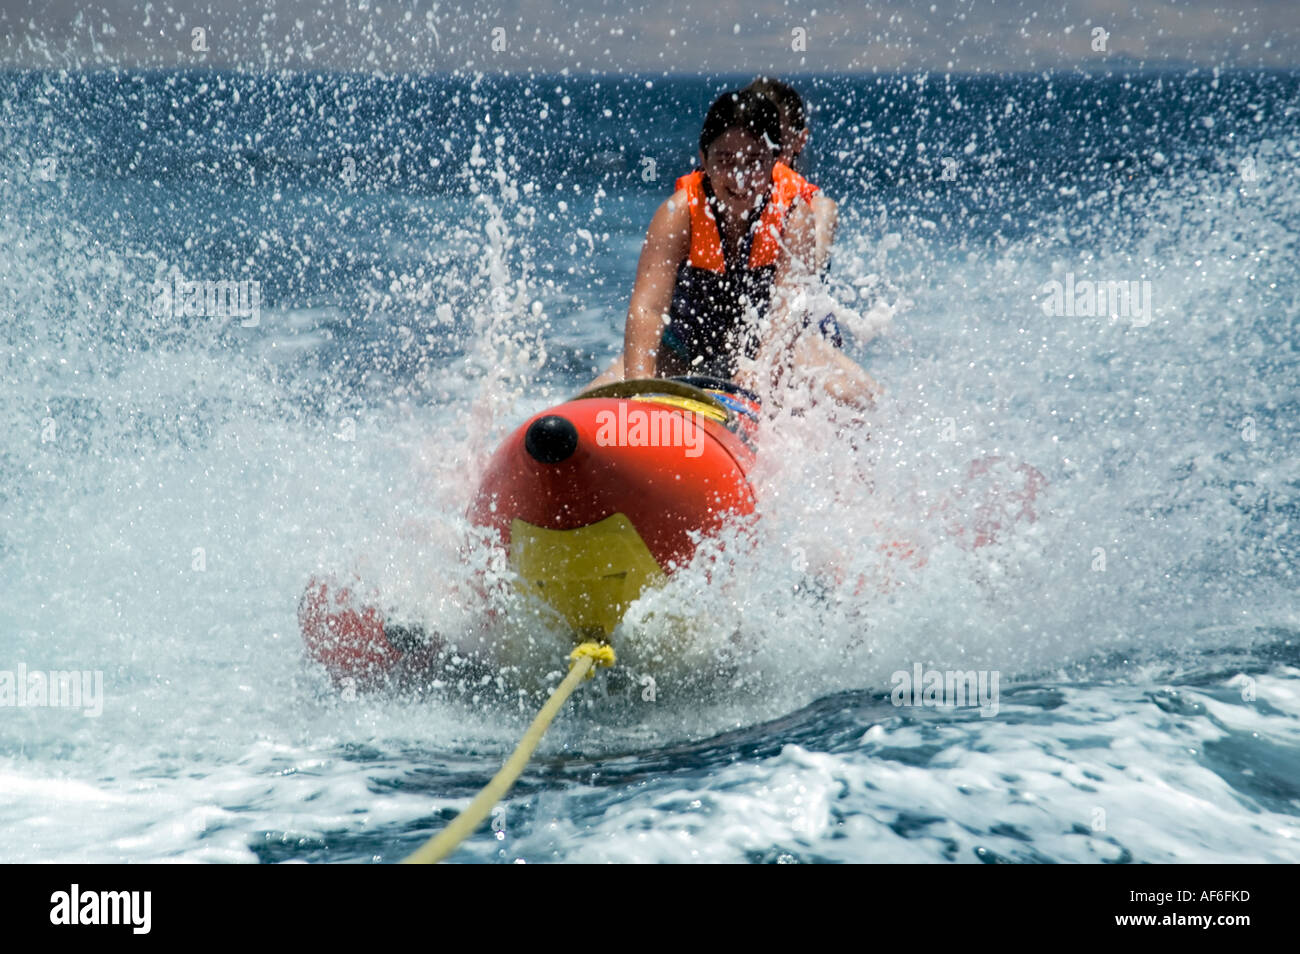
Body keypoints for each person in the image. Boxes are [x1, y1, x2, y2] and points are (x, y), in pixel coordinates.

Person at [590, 87, 879, 409]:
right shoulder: (678, 213)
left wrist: (762, 369)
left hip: (776, 347)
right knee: (593, 401)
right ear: (704, 159)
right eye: (725, 161)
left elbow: (791, 308)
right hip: (687, 347)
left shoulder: (794, 217)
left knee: (851, 397)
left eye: (754, 161)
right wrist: (640, 393)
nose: (739, 177)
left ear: (774, 160)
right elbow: (649, 309)